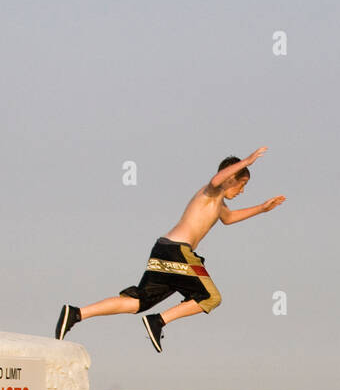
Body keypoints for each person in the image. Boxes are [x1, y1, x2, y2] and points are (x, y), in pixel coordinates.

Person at [54, 147, 285, 353]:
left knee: (137, 303)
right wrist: (246, 161)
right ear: (231, 177)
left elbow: (230, 218)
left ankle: (76, 313)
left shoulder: (219, 205)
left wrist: (262, 209)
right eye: (242, 184)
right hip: (178, 252)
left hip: (163, 251)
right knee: (211, 297)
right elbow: (217, 180)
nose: (242, 191)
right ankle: (158, 321)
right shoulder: (211, 191)